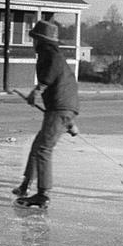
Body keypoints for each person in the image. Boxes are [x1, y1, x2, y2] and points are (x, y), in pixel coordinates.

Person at [13, 19, 79, 209]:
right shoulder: (53, 53)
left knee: (44, 149)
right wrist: (70, 120)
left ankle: (42, 194)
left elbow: (52, 71)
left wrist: (38, 90)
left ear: (40, 40)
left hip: (60, 108)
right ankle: (26, 185)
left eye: (34, 38)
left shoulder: (50, 53)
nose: (33, 43)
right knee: (38, 145)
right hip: (62, 108)